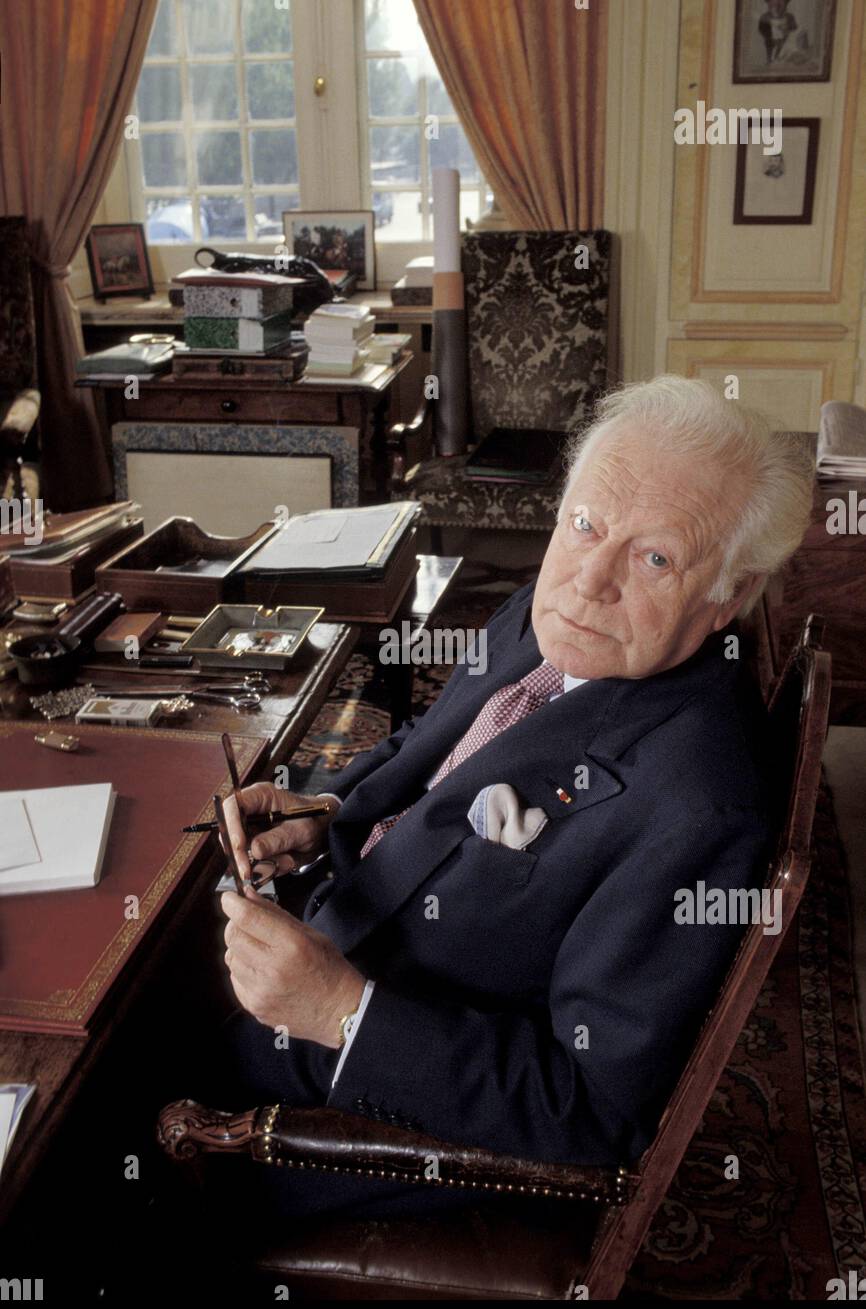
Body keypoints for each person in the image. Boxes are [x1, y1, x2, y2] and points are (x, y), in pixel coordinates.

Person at [213, 374, 814, 1222]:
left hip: (367, 1096)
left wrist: (342, 1012)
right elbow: (433, 755)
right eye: (585, 523)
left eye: (656, 558)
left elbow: (596, 1107)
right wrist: (328, 813)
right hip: (331, 919)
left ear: (731, 596)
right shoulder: (549, 609)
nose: (589, 580)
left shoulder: (699, 814)